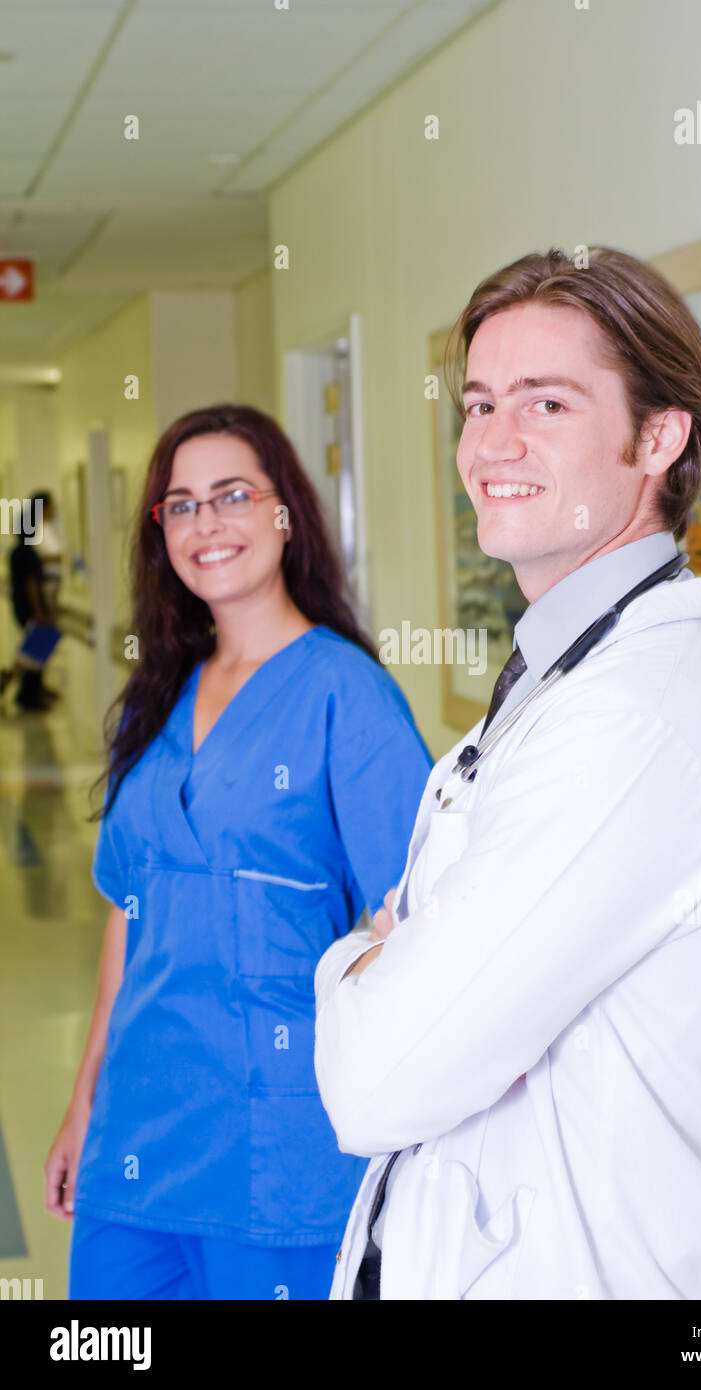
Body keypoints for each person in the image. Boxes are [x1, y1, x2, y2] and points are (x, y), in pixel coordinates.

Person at [314, 248, 701, 1300]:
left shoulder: (635, 717)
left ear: (656, 436)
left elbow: (375, 1082)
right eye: (479, 403)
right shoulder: (566, 674)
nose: (492, 442)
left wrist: (354, 959)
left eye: (546, 403)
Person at [45, 404, 432, 1300]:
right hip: (137, 1139)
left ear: (285, 513)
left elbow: (416, 923)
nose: (205, 524)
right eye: (179, 506)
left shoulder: (348, 697)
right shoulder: (158, 694)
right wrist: (83, 1103)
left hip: (282, 1152)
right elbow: (127, 914)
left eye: (231, 496)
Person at [2, 491, 62, 710]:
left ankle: (26, 690)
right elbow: (31, 584)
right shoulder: (26, 553)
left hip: (23, 604)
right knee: (34, 649)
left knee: (32, 648)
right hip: (29, 606)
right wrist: (39, 610)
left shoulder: (19, 551)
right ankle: (27, 695)